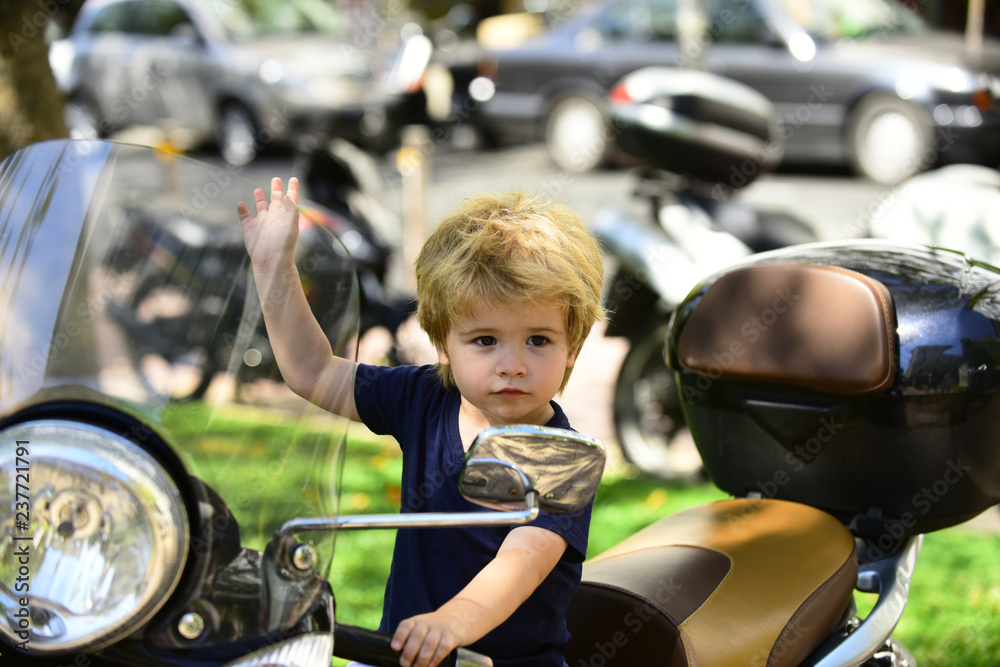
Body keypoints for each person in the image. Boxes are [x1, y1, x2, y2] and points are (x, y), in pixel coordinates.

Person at [238, 177, 605, 667]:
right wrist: (274, 268)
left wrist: (452, 623)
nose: (513, 364)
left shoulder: (560, 455)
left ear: (572, 348)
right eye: (485, 340)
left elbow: (523, 559)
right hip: (405, 654)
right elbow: (314, 372)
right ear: (443, 346)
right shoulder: (424, 397)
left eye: (538, 340)